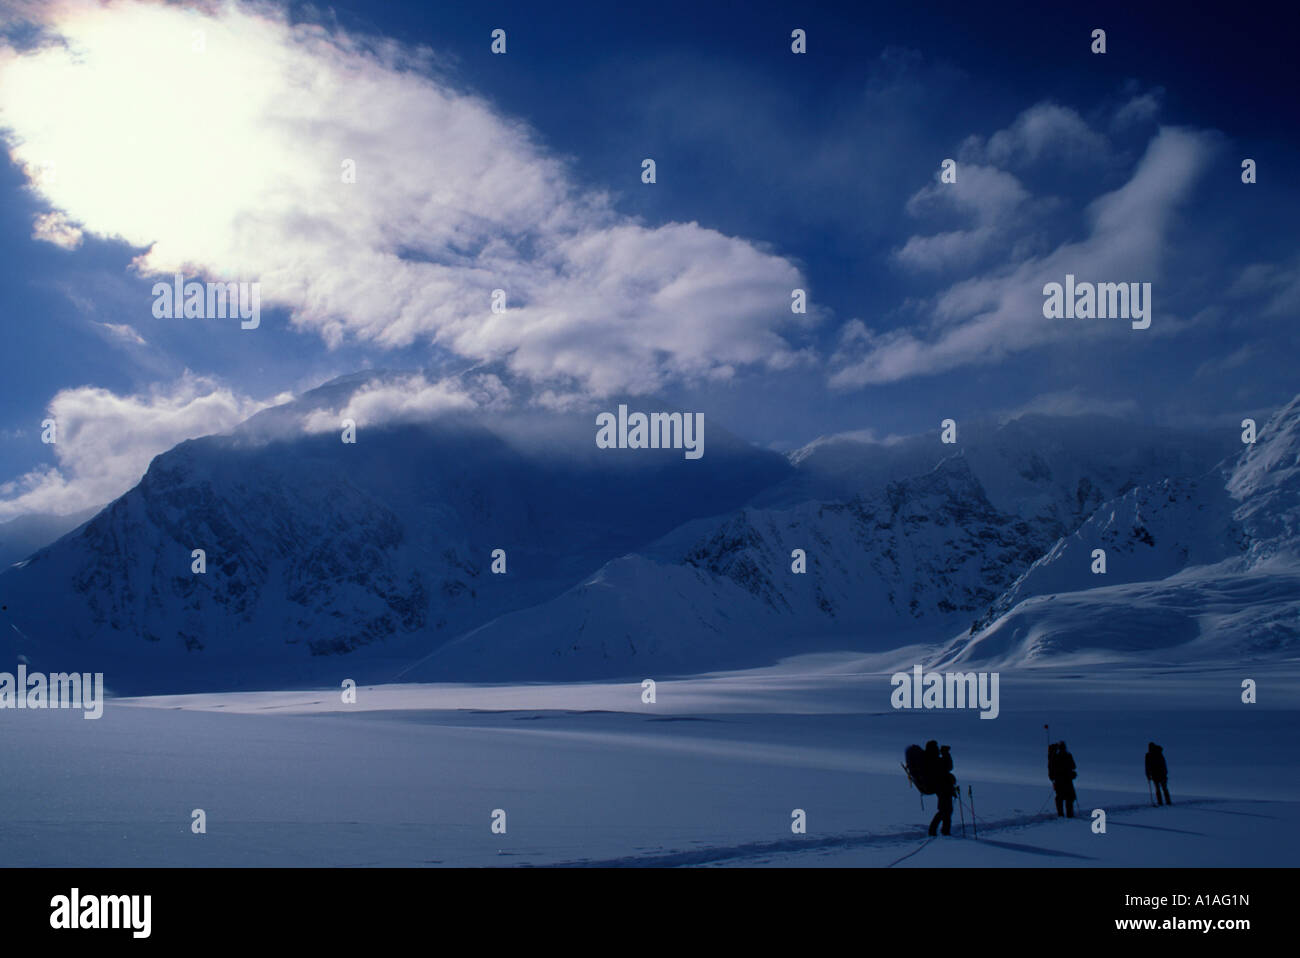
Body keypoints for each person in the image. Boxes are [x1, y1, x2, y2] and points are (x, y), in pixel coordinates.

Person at [925, 740, 957, 837]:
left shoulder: (931, 760)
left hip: (941, 788)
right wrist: (945, 753)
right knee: (945, 810)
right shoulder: (934, 760)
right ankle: (939, 831)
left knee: (945, 810)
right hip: (943, 788)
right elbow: (949, 766)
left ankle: (942, 831)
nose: (937, 749)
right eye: (936, 747)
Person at [1048, 740, 1077, 818]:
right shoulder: (1068, 755)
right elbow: (1073, 766)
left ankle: (1061, 814)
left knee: (1060, 797)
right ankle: (1069, 814)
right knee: (1069, 797)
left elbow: (1051, 768)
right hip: (1067, 780)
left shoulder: (1055, 757)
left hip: (1059, 781)